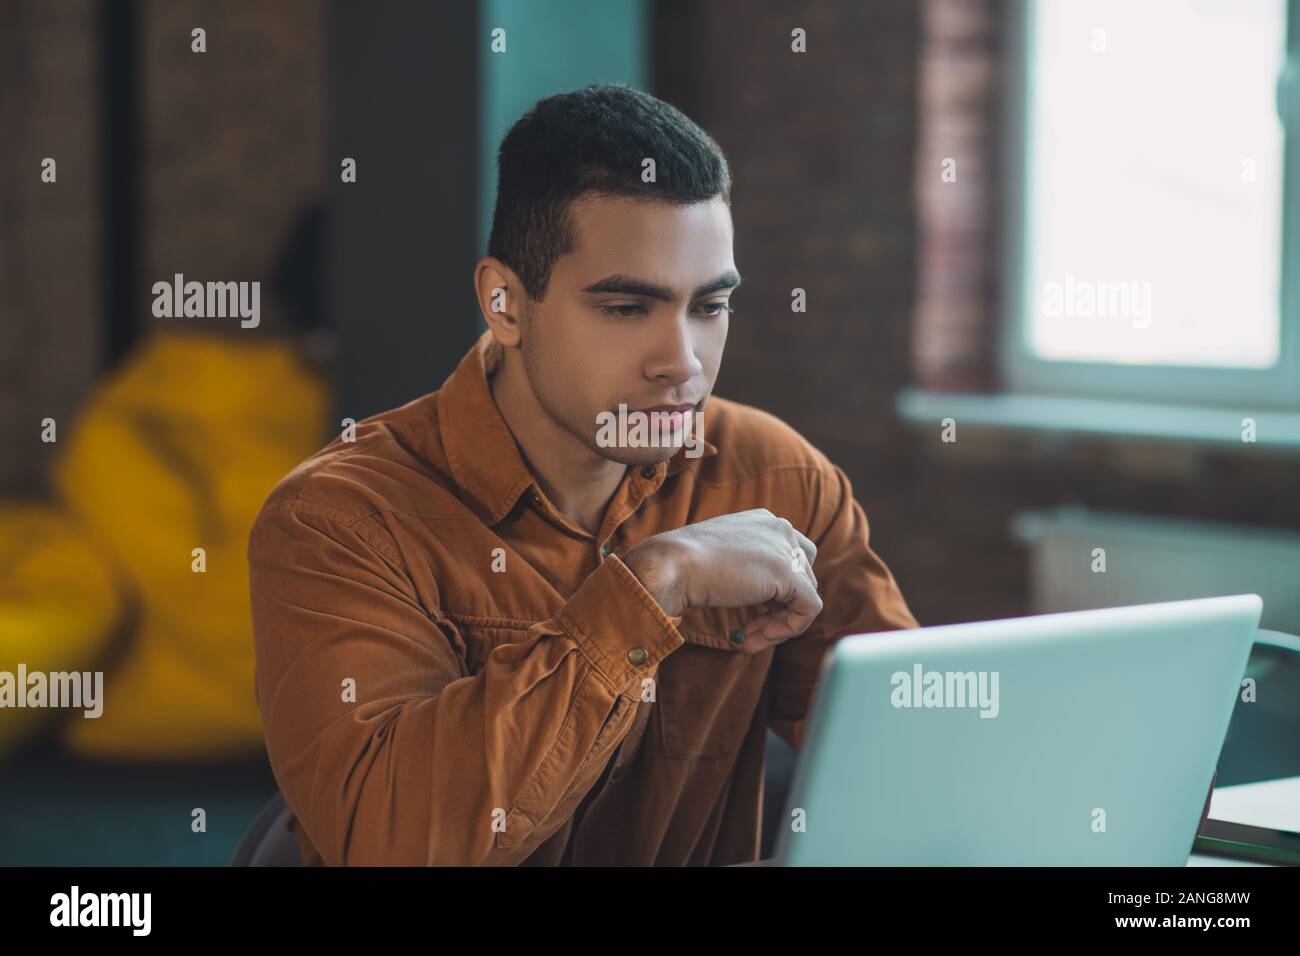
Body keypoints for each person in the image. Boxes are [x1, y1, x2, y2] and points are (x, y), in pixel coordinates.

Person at [248, 83, 919, 866]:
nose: (682, 362)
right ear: (504, 303)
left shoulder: (774, 476)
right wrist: (654, 584)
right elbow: (394, 845)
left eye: (709, 307)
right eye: (627, 309)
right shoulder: (339, 520)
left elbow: (910, 760)